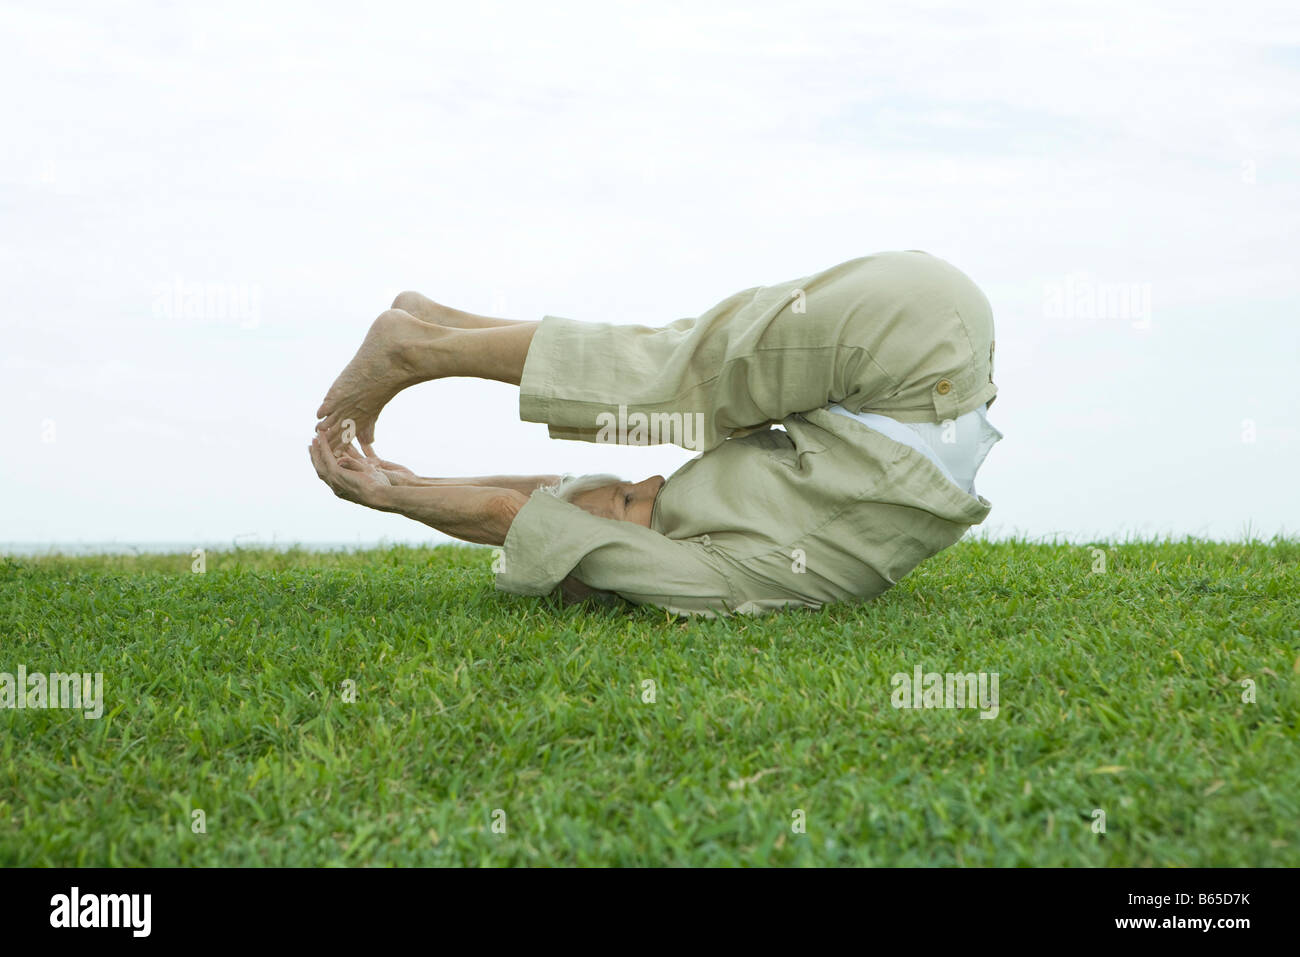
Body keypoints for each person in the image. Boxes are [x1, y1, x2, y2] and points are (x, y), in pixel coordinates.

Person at [310, 250, 1003, 617]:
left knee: (676, 375)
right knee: (679, 378)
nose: (644, 480)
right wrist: (391, 493)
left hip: (924, 351)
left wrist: (397, 487)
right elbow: (527, 519)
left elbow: (537, 508)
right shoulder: (704, 573)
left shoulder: (699, 544)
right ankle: (421, 342)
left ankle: (431, 334)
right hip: (921, 360)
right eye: (627, 503)